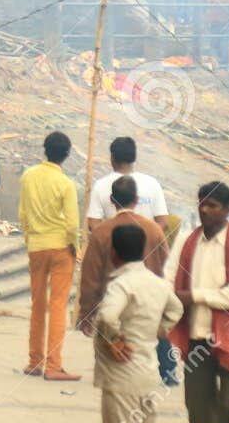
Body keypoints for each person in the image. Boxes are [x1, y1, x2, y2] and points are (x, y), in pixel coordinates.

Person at [167, 181, 229, 423]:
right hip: (196, 336)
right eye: (202, 204)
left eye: (212, 205)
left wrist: (195, 296)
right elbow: (168, 281)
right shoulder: (185, 242)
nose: (205, 210)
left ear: (227, 210)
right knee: (198, 408)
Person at [92, 223, 183, 423]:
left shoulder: (122, 285)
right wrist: (157, 331)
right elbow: (176, 310)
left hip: (122, 377)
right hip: (149, 372)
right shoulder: (157, 283)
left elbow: (108, 316)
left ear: (113, 252)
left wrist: (114, 339)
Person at [19, 131, 82, 379]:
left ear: (45, 149)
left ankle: (35, 361)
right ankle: (53, 365)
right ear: (66, 155)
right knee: (57, 305)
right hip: (60, 247)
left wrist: (30, 239)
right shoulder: (66, 184)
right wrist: (75, 249)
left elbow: (23, 215)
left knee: (38, 305)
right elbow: (71, 225)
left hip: (36, 246)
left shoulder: (28, 176)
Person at [78, 175, 169, 331]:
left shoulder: (101, 232)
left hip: (111, 309)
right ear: (136, 199)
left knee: (109, 354)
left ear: (112, 200)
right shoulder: (154, 230)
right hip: (147, 309)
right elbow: (166, 269)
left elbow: (90, 278)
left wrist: (86, 312)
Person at [85, 136, 170, 235]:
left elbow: (93, 224)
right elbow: (163, 223)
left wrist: (111, 242)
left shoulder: (100, 185)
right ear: (134, 157)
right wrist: (143, 241)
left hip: (113, 248)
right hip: (146, 249)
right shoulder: (152, 184)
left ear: (112, 158)